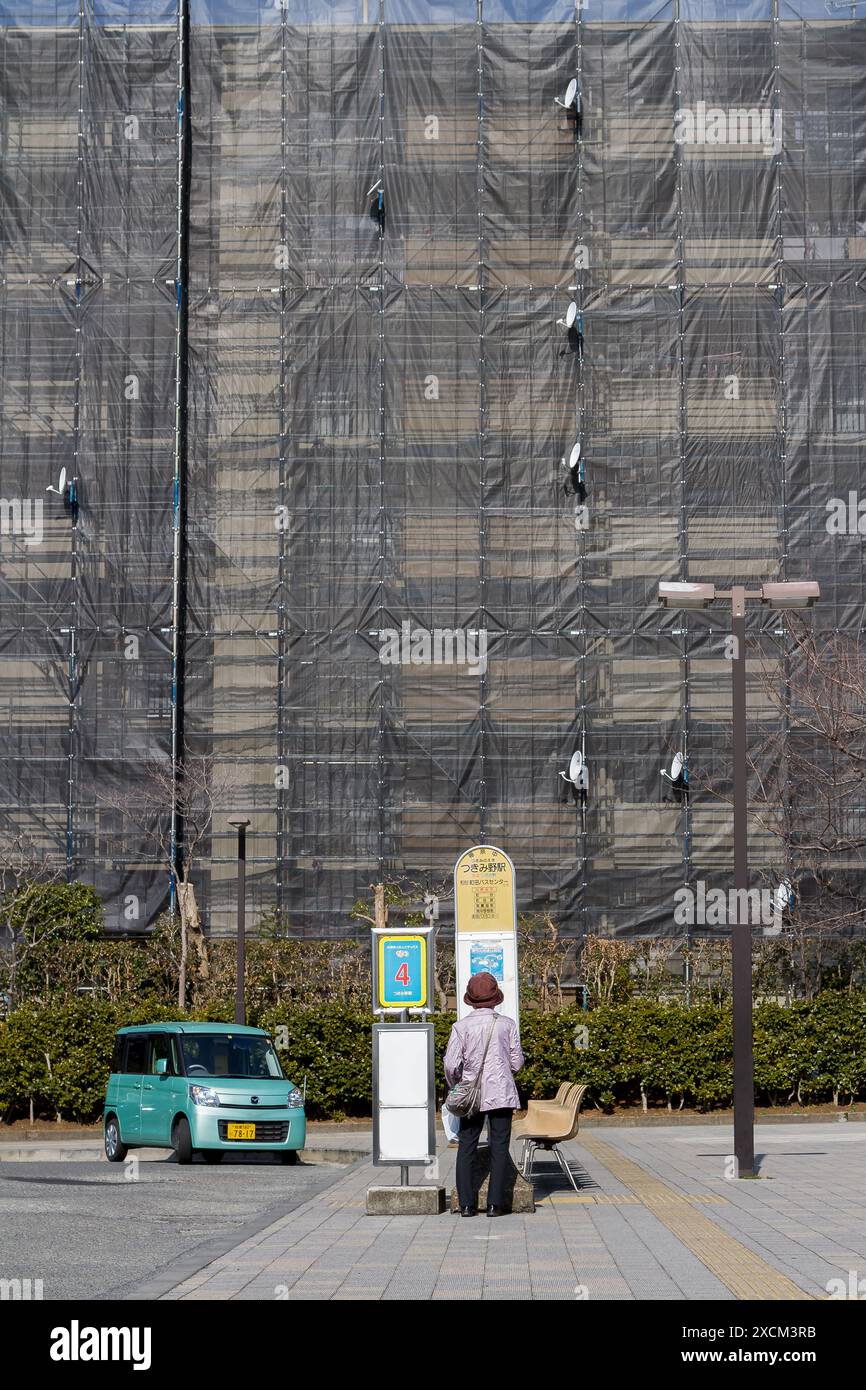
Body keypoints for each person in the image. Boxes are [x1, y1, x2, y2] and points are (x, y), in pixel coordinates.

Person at [444, 972, 524, 1218]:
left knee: (467, 1144)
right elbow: (517, 1063)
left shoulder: (460, 1027)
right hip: (500, 1093)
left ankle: (467, 1205)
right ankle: (495, 1205)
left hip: (472, 1095)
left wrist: (458, 1083)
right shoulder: (507, 1024)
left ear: (470, 999)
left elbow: (450, 1064)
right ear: (495, 998)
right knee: (499, 1145)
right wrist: (502, 1070)